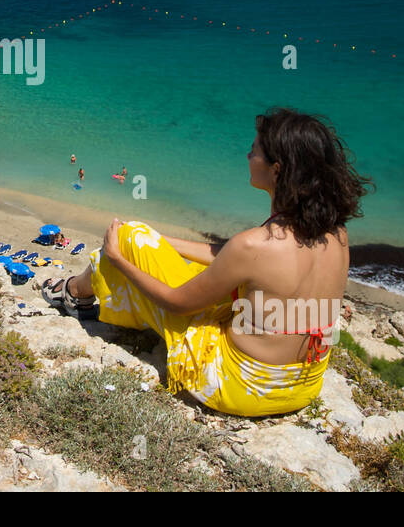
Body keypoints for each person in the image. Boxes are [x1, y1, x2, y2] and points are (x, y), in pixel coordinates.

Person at [41, 108, 371, 418]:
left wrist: (118, 258)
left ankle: (72, 293)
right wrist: (162, 240)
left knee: (128, 238)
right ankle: (83, 287)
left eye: (254, 150)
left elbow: (177, 304)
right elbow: (232, 257)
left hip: (240, 387)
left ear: (277, 169)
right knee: (150, 242)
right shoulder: (336, 235)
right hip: (305, 385)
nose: (248, 155)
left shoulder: (254, 245)